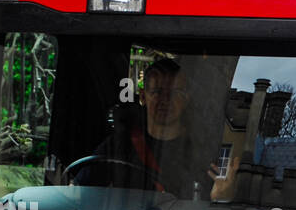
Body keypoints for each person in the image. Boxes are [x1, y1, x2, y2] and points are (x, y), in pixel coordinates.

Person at [84, 58, 209, 198]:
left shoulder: (201, 151)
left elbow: (212, 199)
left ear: (186, 98)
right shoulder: (118, 146)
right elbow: (79, 193)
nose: (165, 100)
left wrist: (224, 194)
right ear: (143, 96)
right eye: (157, 92)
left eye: (174, 92)